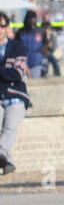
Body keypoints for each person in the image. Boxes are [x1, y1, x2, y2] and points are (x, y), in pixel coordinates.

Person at [0, 32, 29, 175]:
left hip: (16, 95)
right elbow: (11, 72)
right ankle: (8, 162)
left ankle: (3, 155)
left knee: (10, 126)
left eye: (2, 25)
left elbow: (18, 74)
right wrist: (6, 71)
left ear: (6, 28)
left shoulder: (17, 47)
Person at [16, 12, 46, 78]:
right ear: (27, 19)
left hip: (36, 63)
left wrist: (40, 54)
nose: (32, 22)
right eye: (30, 19)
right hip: (23, 63)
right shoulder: (20, 32)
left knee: (35, 82)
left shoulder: (41, 31)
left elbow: (46, 44)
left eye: (34, 19)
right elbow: (16, 46)